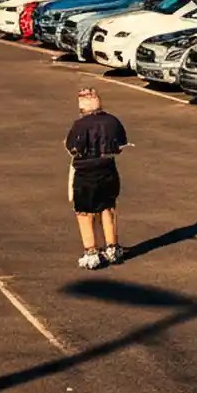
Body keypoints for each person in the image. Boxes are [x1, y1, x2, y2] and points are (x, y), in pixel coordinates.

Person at [65, 88, 130, 269]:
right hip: (108, 171)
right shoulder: (113, 121)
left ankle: (91, 252)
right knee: (107, 209)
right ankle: (113, 248)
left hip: (86, 173)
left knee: (84, 213)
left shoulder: (80, 125)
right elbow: (120, 146)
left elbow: (73, 148)